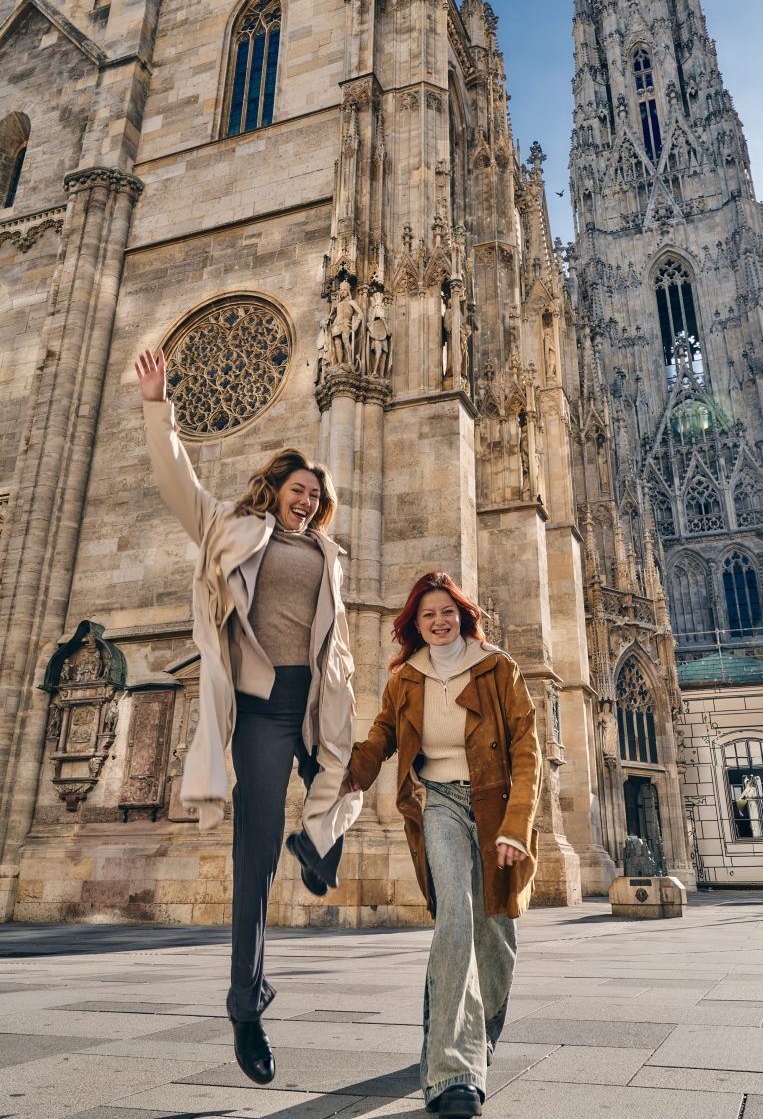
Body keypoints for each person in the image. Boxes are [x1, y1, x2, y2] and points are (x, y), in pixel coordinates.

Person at [135, 347, 363, 1086]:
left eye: (314, 495)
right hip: (264, 706)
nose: (306, 499)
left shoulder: (329, 553)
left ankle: (318, 846)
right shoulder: (228, 526)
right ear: (276, 485)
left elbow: (336, 634)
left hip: (317, 701)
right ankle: (246, 1000)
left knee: (351, 780)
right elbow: (179, 483)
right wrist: (157, 406)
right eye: (299, 488)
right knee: (253, 860)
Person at [347, 572, 542, 1117]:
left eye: (446, 612)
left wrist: (515, 826)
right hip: (438, 804)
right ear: (415, 623)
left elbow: (528, 751)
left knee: (496, 935)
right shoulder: (405, 677)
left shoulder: (497, 667)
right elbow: (383, 734)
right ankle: (455, 1073)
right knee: (455, 918)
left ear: (463, 615)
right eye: (427, 614)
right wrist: (347, 773)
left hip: (494, 807)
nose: (438, 621)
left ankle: (476, 1039)